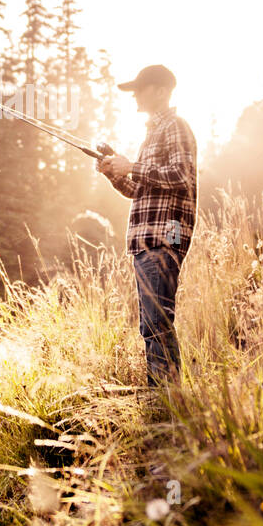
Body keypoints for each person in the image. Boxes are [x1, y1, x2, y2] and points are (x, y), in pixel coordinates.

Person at [98, 64, 197, 385]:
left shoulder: (176, 127)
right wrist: (114, 173)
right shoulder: (152, 134)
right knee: (151, 326)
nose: (135, 96)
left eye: (140, 89)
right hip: (145, 242)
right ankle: (165, 398)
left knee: (156, 324)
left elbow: (181, 176)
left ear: (161, 91)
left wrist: (131, 166)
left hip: (164, 239)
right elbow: (138, 190)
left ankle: (167, 399)